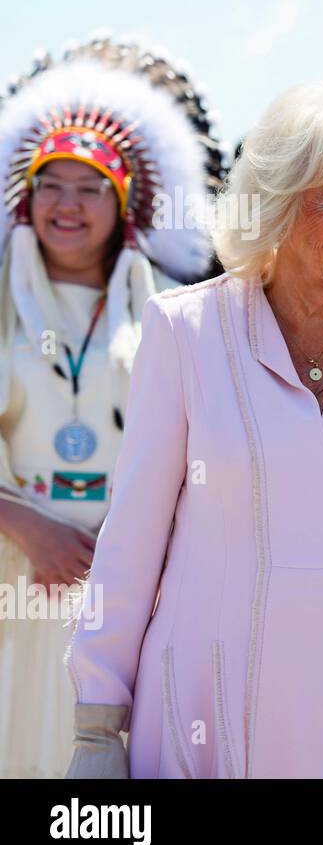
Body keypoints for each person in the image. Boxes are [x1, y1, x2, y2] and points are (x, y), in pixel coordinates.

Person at [64, 82, 323, 778]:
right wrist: (99, 723)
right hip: (210, 707)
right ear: (278, 206)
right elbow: (130, 542)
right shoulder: (186, 330)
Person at [0, 39, 220, 778]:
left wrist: (130, 537)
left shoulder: (169, 305)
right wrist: (26, 526)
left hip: (130, 569)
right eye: (51, 185)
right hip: (16, 571)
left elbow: (201, 441)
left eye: (89, 187)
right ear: (25, 198)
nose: (68, 205)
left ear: (123, 201)